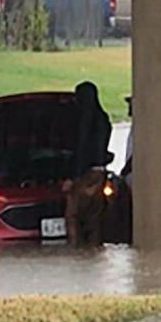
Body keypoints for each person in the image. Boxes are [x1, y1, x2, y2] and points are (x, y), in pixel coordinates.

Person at [64, 81, 111, 246]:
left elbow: (82, 150)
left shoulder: (84, 120)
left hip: (85, 174)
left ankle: (77, 249)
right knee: (94, 218)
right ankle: (94, 249)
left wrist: (72, 177)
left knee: (73, 216)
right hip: (100, 173)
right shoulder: (103, 119)